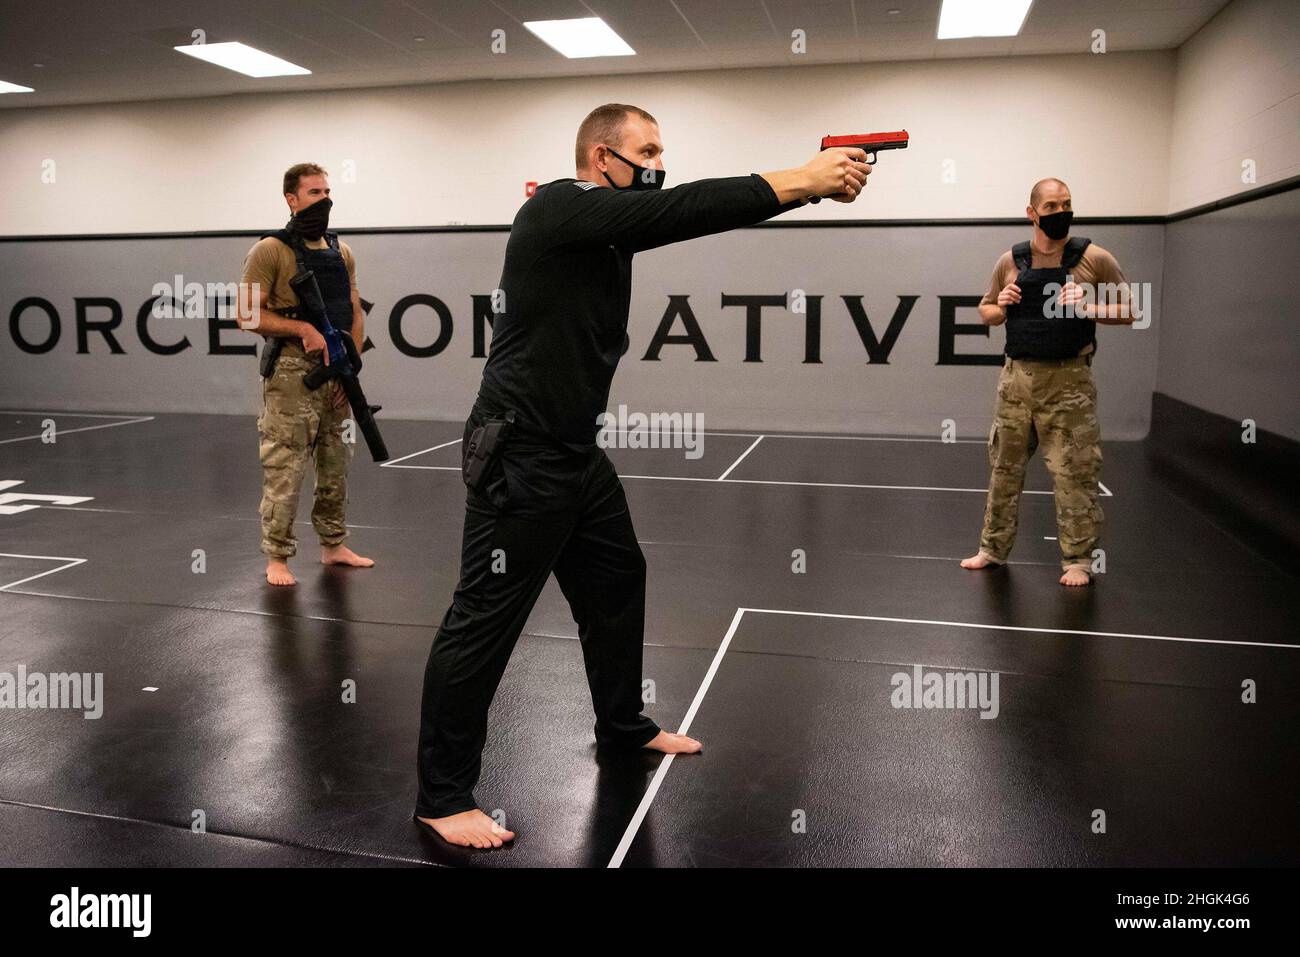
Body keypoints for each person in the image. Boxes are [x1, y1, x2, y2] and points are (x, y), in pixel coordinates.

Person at [414, 103, 871, 848]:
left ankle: (623, 726)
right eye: (648, 149)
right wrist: (804, 180)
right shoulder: (558, 205)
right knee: (483, 620)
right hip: (520, 453)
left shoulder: (608, 227)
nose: (661, 161)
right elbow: (683, 208)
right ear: (602, 156)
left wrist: (809, 189)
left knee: (618, 578)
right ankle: (441, 795)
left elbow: (667, 209)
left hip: (575, 454)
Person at [961, 178, 1134, 587]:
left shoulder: (1094, 258)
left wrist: (1089, 305)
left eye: (1067, 204)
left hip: (1068, 383)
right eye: (1052, 206)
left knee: (1074, 474)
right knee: (1003, 469)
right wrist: (999, 305)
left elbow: (1131, 309)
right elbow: (984, 310)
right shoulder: (1011, 261)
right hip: (1016, 382)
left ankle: (1077, 560)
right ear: (1032, 213)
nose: (1061, 212)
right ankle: (992, 549)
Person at [237, 163, 375, 587]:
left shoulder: (341, 251)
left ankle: (333, 545)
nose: (325, 199)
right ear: (292, 200)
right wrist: (302, 328)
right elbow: (245, 314)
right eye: (314, 192)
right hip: (291, 376)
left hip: (335, 371)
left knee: (335, 463)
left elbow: (353, 310)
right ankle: (277, 557)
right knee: (286, 467)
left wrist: (347, 366)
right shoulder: (269, 251)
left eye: (328, 191)